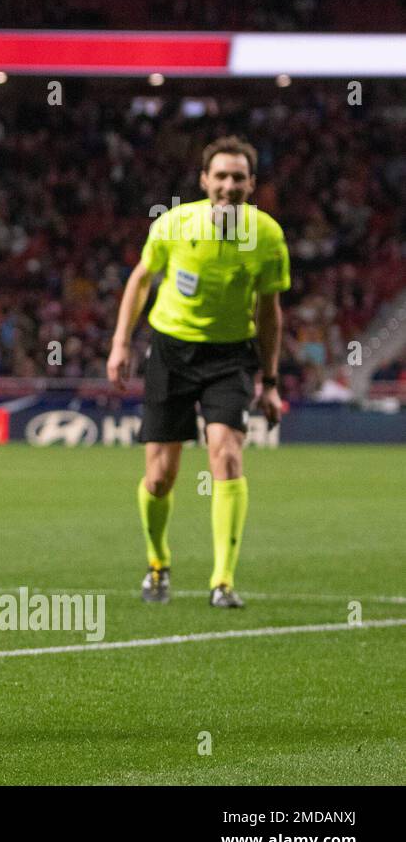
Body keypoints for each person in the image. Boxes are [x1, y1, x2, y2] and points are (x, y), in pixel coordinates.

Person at [107, 136, 290, 608]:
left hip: (231, 356)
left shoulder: (267, 236)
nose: (229, 185)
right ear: (204, 180)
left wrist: (269, 382)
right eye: (221, 176)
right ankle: (157, 564)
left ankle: (222, 581)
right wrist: (121, 343)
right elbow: (141, 279)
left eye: (238, 177)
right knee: (160, 477)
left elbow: (270, 312)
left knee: (226, 455)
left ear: (252, 183)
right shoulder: (173, 224)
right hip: (170, 351)